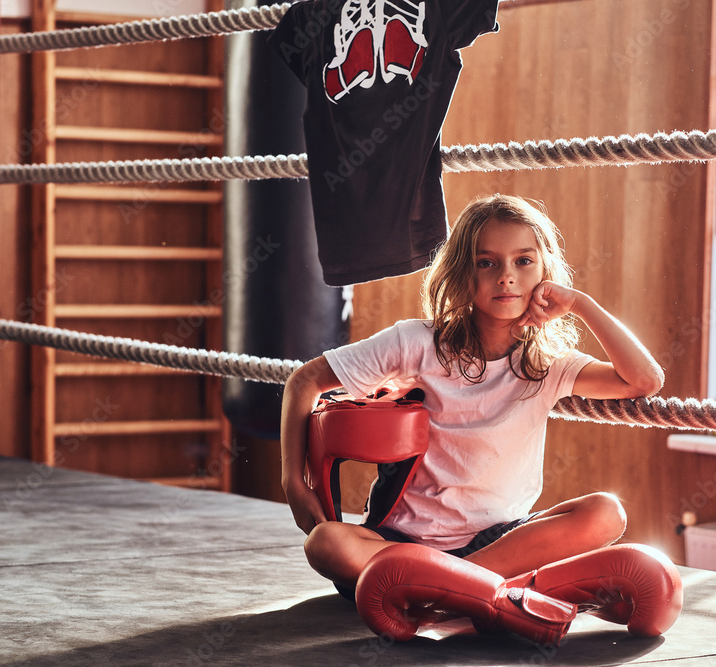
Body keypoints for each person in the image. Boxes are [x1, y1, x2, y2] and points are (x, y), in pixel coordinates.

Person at [280, 194, 664, 594]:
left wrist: (581, 304)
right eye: (487, 262)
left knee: (606, 512)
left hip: (501, 542)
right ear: (464, 271)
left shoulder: (549, 363)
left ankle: (446, 588)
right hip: (403, 543)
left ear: (545, 272)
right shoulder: (417, 341)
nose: (506, 276)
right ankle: (466, 589)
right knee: (326, 543)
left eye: (523, 261)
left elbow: (644, 380)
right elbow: (304, 381)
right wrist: (293, 482)